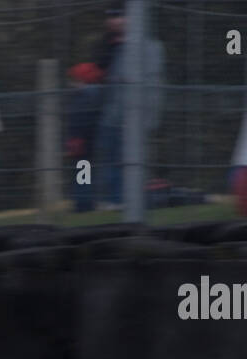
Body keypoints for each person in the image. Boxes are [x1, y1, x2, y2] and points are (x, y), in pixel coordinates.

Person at [94, 6, 165, 209]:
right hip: (111, 115)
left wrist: (149, 117)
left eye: (117, 16)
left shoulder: (149, 48)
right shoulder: (112, 45)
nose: (113, 22)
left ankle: (123, 200)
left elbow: (151, 86)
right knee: (110, 159)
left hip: (133, 117)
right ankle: (113, 199)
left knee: (128, 161)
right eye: (111, 17)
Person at [65, 63, 103, 213]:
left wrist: (76, 139)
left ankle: (83, 205)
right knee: (87, 173)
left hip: (82, 142)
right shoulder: (96, 94)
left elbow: (79, 119)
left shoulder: (82, 97)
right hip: (90, 141)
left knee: (83, 174)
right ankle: (86, 203)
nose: (72, 83)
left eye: (75, 79)